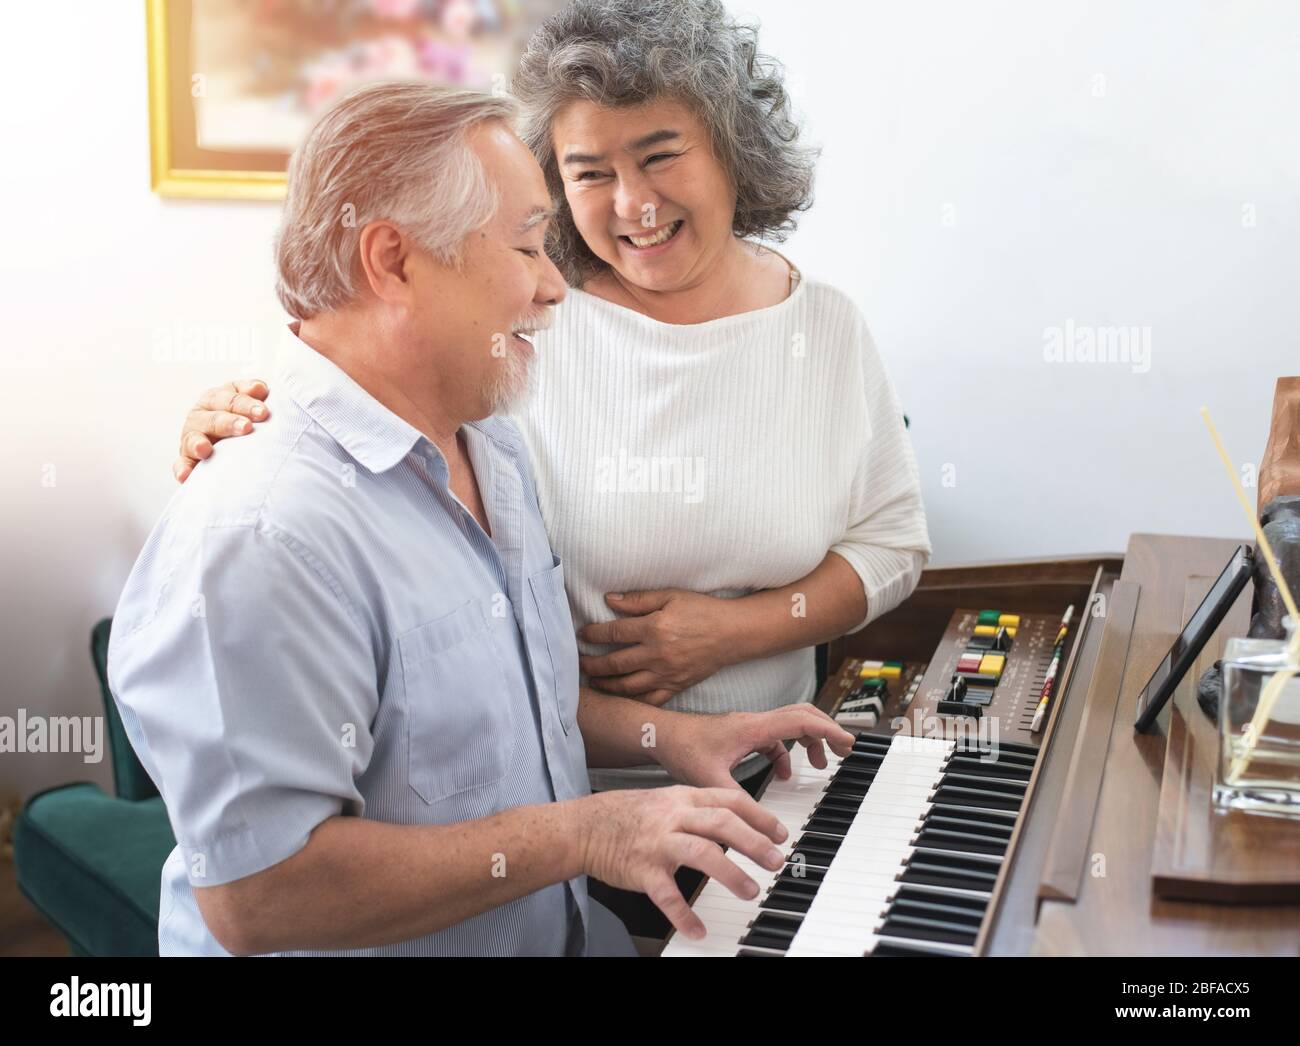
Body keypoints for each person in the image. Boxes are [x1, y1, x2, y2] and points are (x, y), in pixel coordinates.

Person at [167, 0, 930, 933]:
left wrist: (705, 692)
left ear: (730, 147)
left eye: (660, 156)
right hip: (580, 847)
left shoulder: (492, 414)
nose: (627, 210)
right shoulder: (488, 373)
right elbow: (257, 894)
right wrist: (586, 831)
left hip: (673, 831)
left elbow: (524, 683)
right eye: (581, 182)